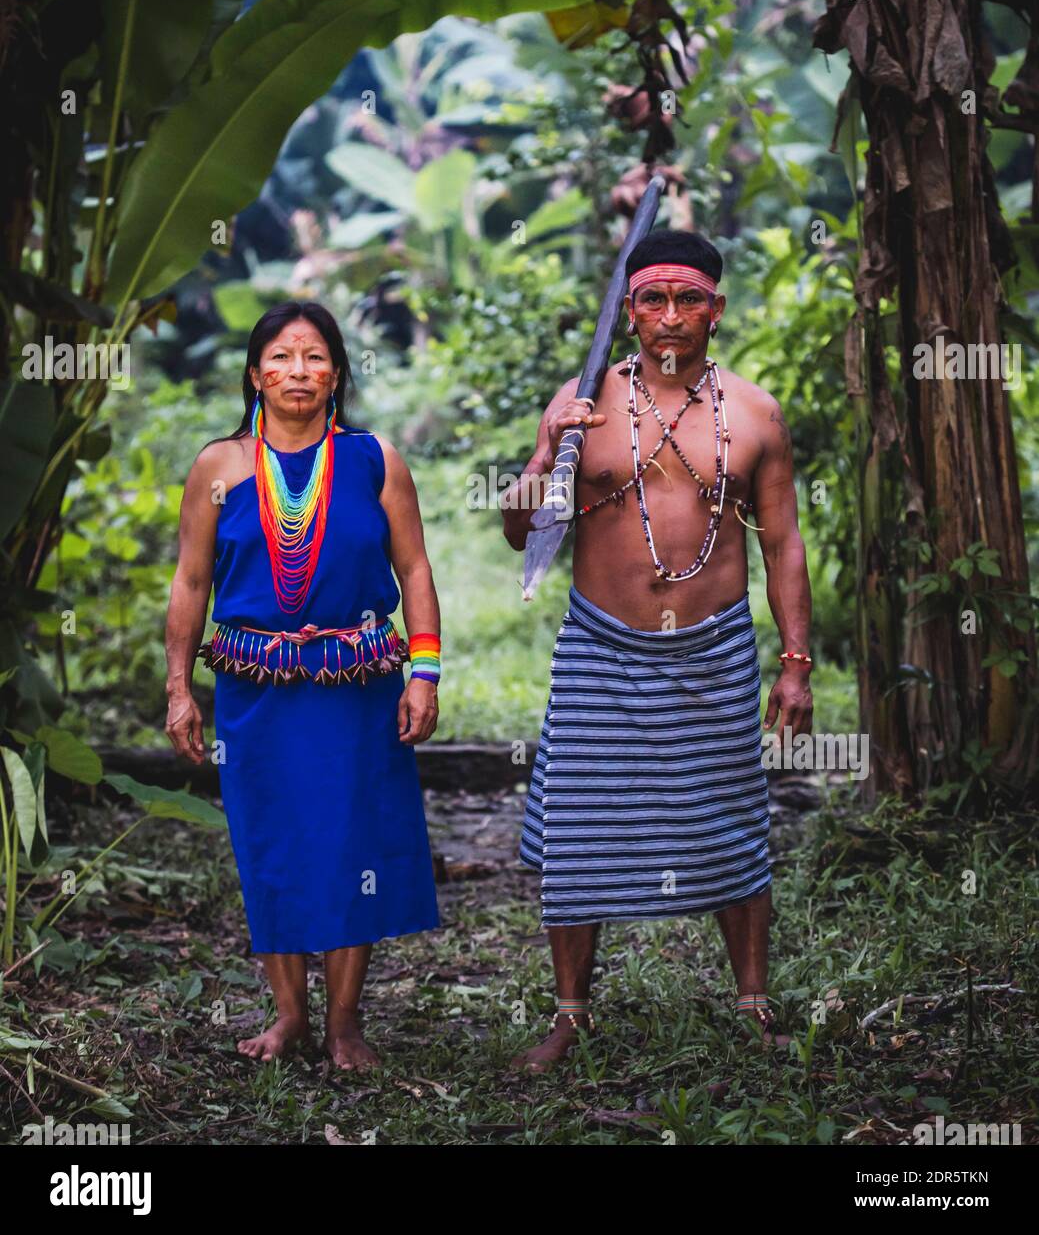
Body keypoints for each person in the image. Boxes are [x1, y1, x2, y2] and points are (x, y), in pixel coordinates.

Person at [501, 229, 813, 1071]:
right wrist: (543, 452)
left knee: (731, 823)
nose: (670, 317)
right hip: (600, 648)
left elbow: (782, 543)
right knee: (577, 827)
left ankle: (752, 1002)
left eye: (688, 300)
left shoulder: (753, 413)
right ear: (629, 311)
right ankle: (570, 1016)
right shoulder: (582, 399)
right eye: (652, 300)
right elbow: (518, 530)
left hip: (713, 653)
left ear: (715, 309)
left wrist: (793, 663)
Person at [164, 301, 442, 1069]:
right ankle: (288, 1016)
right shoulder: (219, 467)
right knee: (274, 845)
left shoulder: (374, 460)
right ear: (255, 374)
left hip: (356, 686)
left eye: (314, 357)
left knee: (353, 837)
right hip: (257, 693)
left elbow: (414, 570)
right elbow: (190, 583)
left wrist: (425, 672)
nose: (297, 371)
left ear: (337, 374)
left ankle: (345, 1023)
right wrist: (178, 687)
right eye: (280, 357)